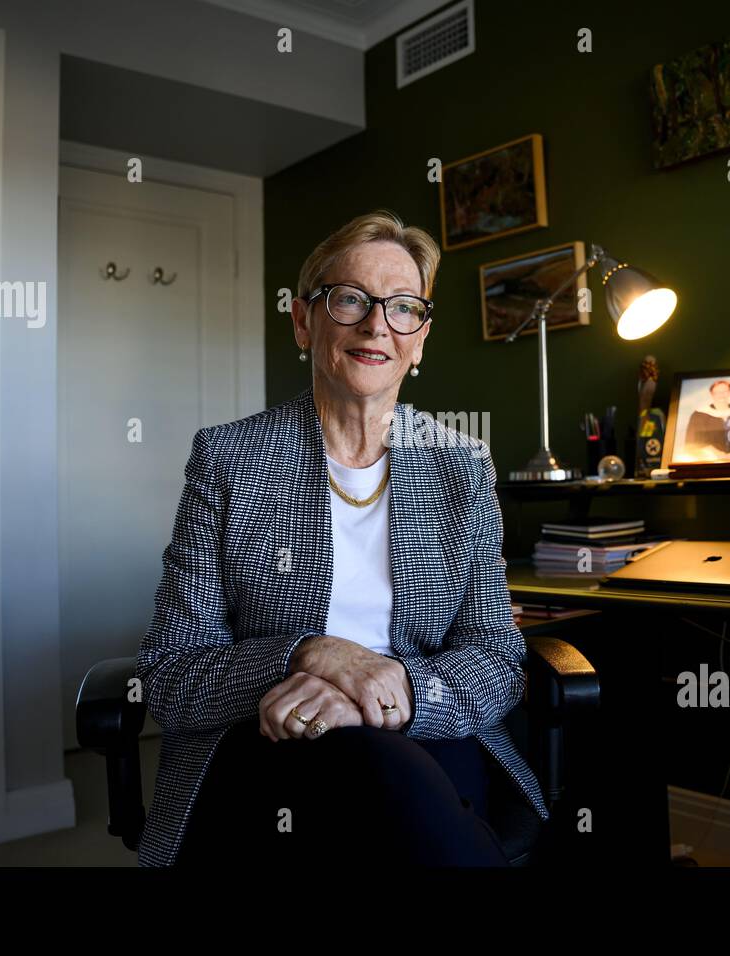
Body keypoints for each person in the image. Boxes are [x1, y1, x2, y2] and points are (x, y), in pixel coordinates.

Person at [135, 210, 548, 867]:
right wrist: (309, 655)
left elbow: (496, 658)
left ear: (420, 339)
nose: (377, 324)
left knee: (390, 788)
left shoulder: (460, 465)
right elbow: (172, 673)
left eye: (403, 307)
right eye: (351, 298)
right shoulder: (229, 459)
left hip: (425, 730)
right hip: (264, 741)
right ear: (304, 320)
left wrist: (390, 694)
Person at [681, 379, 730, 460]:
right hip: (710, 461)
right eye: (717, 392)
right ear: (712, 394)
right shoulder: (700, 414)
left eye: (725, 391)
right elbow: (696, 440)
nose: (721, 395)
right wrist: (718, 454)